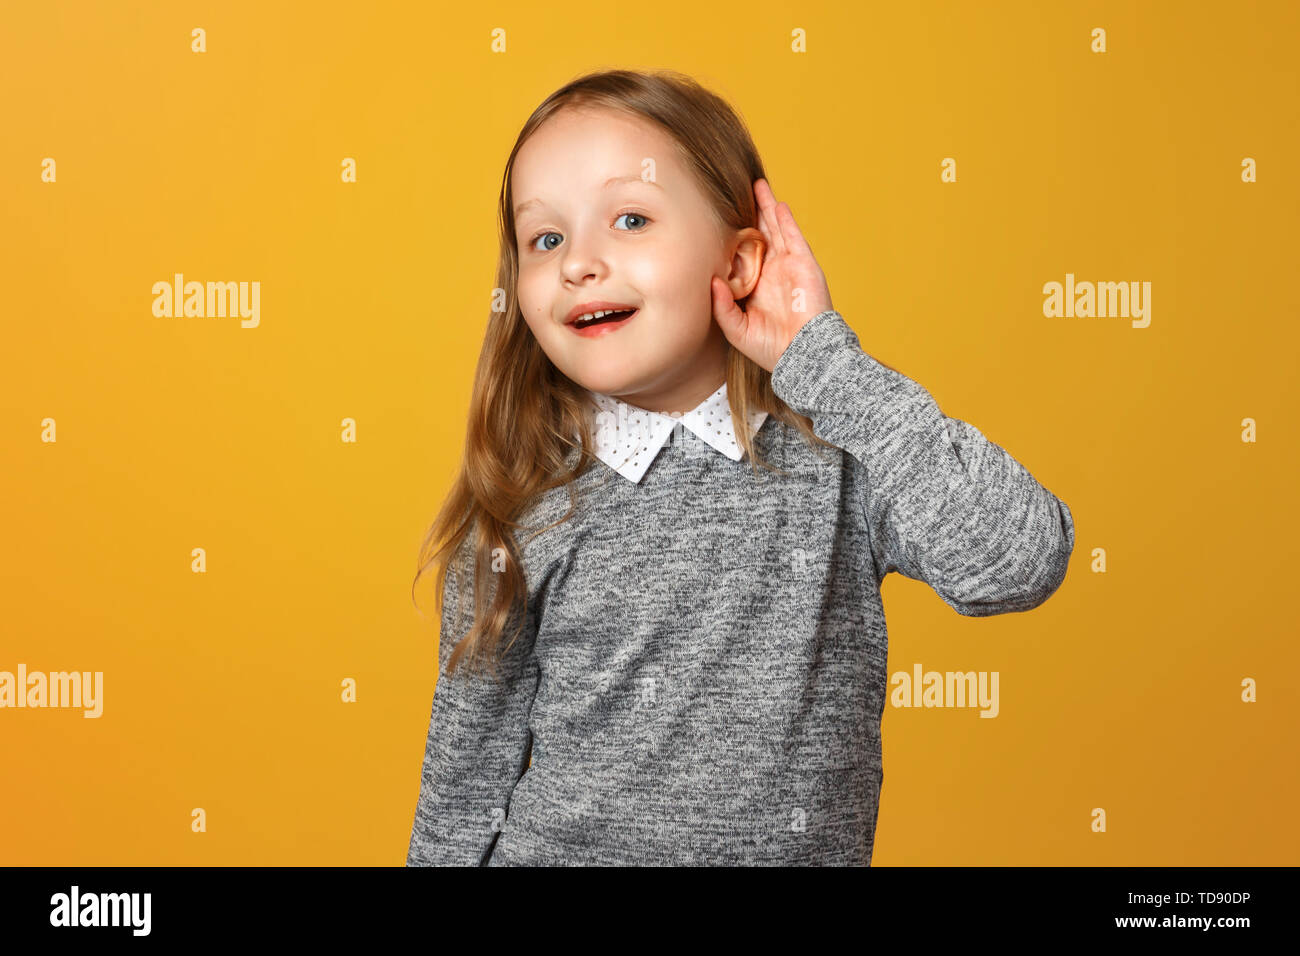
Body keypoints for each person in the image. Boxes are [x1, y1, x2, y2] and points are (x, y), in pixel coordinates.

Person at [405, 68, 1075, 866]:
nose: (579, 263)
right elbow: (464, 779)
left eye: (629, 218)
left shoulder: (841, 459)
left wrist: (827, 364)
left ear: (743, 260)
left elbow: (1018, 561)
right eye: (545, 239)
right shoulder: (523, 502)